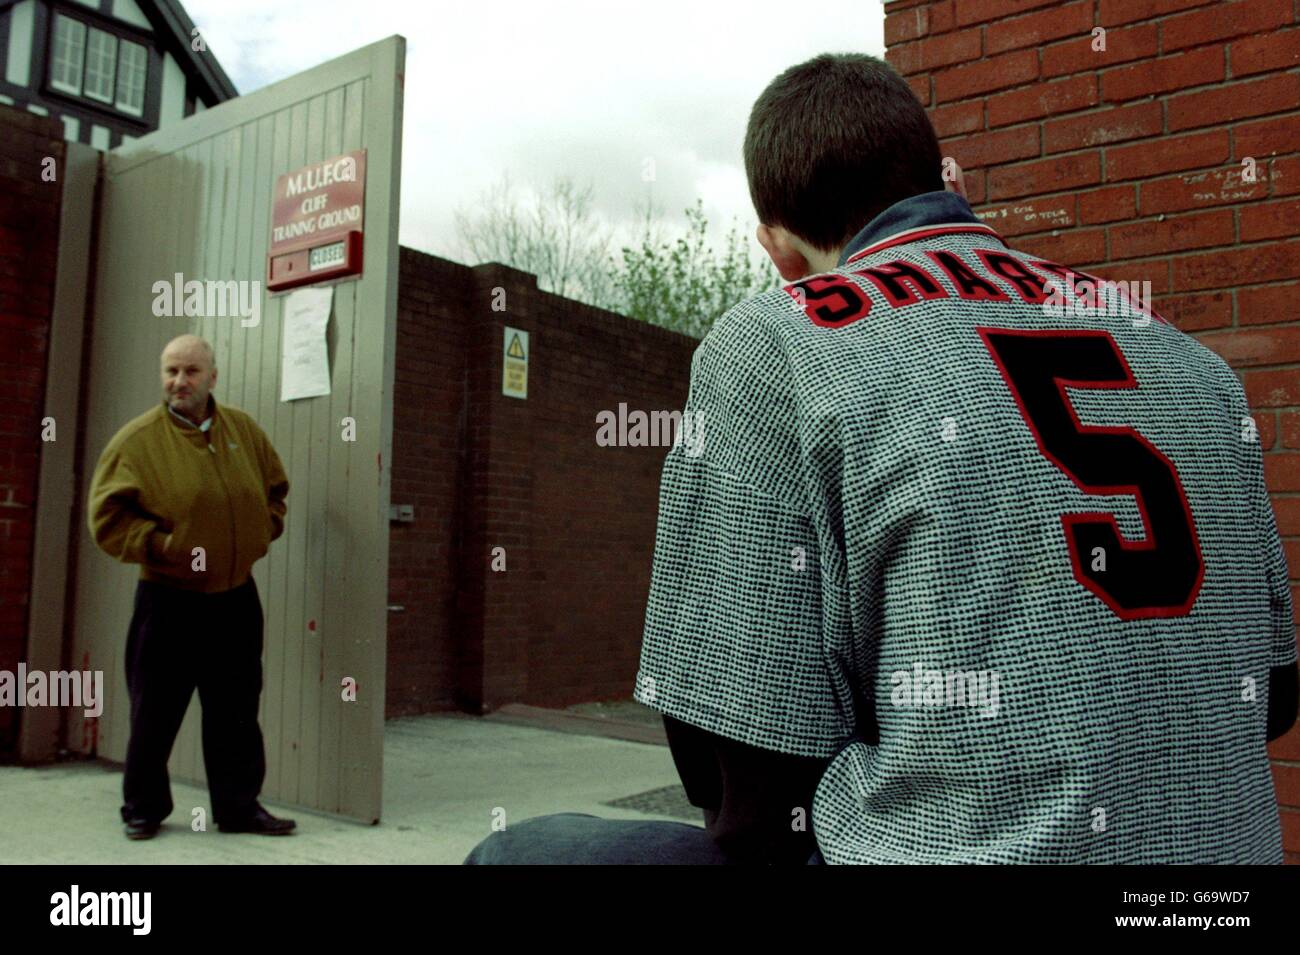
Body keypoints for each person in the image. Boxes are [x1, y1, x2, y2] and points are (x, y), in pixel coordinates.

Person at [466, 52, 1299, 865]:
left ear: (779, 251)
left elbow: (744, 793)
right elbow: (1275, 698)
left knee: (515, 852)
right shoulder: (1192, 362)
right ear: (953, 186)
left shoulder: (775, 342)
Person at [88, 333, 296, 840]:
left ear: (213, 377)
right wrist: (164, 548)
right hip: (169, 599)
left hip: (235, 597)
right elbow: (108, 518)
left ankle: (238, 808)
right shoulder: (137, 441)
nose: (179, 382)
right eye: (171, 372)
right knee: (155, 709)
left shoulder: (243, 431)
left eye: (191, 372)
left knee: (236, 712)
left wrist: (258, 534)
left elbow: (275, 490)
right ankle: (143, 808)